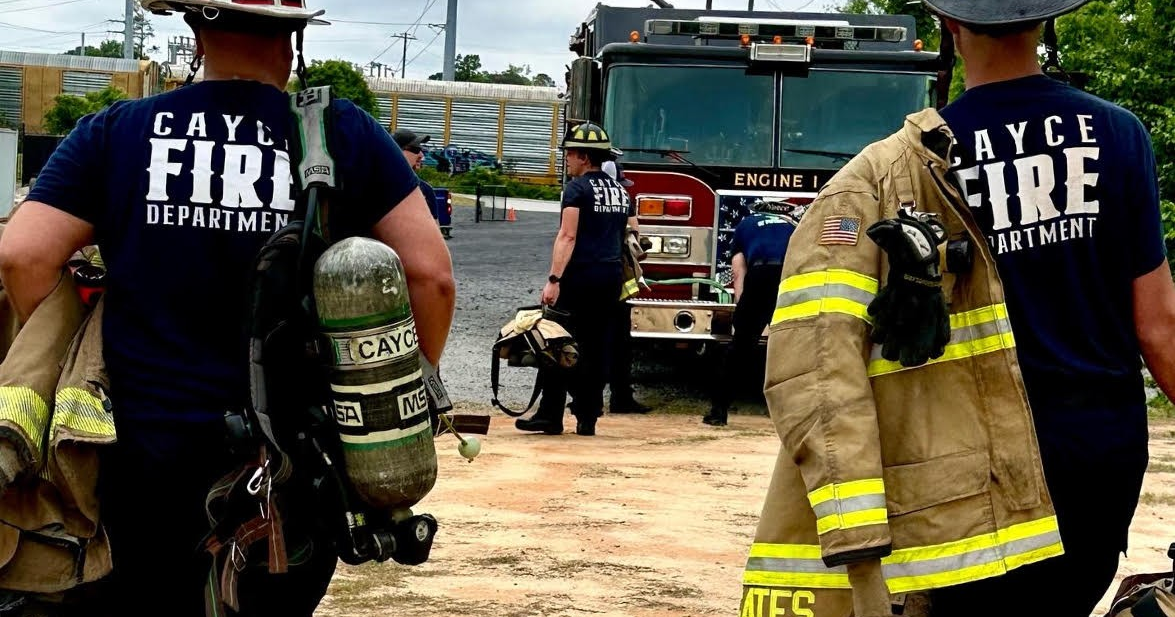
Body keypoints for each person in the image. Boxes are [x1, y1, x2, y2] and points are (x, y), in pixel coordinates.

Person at [0, 1, 456, 615]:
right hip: (292, 467)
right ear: (294, 39)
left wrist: (74, 342)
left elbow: (23, 257)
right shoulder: (338, 132)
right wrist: (395, 381)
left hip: (137, 459)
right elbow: (431, 277)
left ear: (195, 30)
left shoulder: (118, 131)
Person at [922, 0, 1175, 614]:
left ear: (950, 26)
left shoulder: (919, 156)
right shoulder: (1116, 134)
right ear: (1043, 22)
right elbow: (1158, 326)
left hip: (968, 462)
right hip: (1097, 456)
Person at [515, 122, 636, 437]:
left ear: (584, 156)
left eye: (569, 153)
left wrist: (554, 279)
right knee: (597, 347)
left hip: (580, 276)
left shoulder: (577, 189)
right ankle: (588, 417)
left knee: (556, 341)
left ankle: (550, 415)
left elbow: (567, 236)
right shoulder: (621, 191)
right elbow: (633, 234)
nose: (566, 158)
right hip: (610, 277)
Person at [703, 201, 796, 427]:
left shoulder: (746, 224)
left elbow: (738, 270)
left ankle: (718, 412)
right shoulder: (793, 226)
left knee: (740, 348)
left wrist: (743, 309)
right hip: (789, 278)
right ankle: (790, 414)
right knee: (790, 347)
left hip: (760, 275)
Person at [602, 154, 652, 414]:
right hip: (618, 278)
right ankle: (621, 397)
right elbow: (636, 236)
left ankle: (584, 398)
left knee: (589, 340)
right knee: (620, 342)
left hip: (588, 278)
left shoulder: (582, 194)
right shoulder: (622, 200)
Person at [394, 128, 439, 219]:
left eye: (421, 149)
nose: (421, 155)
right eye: (415, 149)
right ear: (396, 151)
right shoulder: (375, 187)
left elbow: (434, 229)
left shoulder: (425, 190)